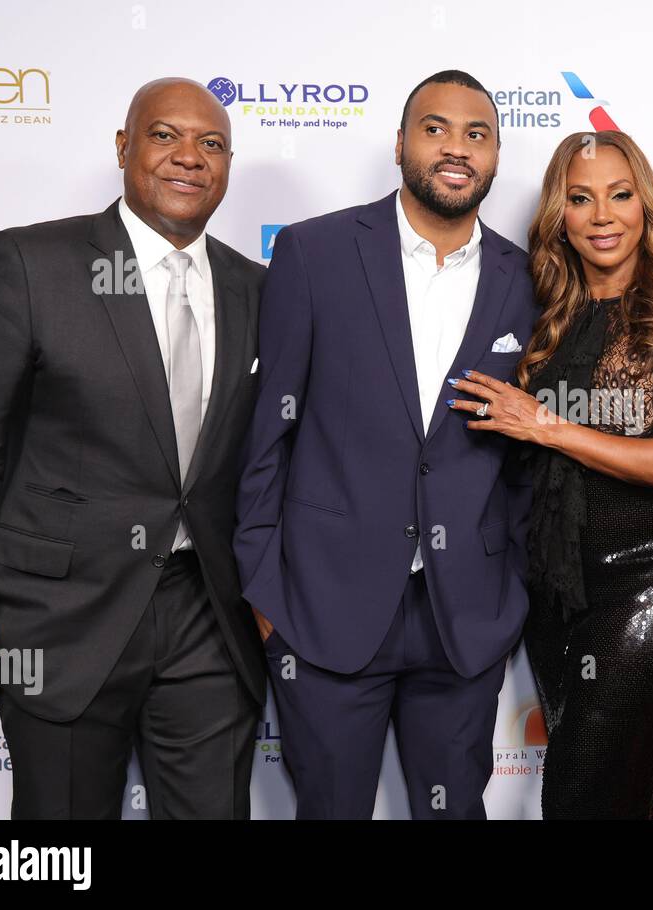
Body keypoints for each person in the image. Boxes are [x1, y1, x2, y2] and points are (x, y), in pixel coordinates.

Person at [0, 78, 265, 818]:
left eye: (212, 144)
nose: (190, 157)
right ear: (124, 147)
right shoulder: (31, 264)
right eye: (165, 135)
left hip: (208, 614)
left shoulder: (257, 288)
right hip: (61, 616)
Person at [234, 70, 539, 819]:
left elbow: (530, 463)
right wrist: (264, 589)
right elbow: (268, 427)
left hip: (462, 616)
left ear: (496, 156)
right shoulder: (316, 253)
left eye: (477, 134)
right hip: (323, 607)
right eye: (436, 129)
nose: (456, 149)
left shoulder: (528, 279)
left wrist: (512, 593)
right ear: (402, 143)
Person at [447, 130, 653, 818]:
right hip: (554, 587)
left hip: (651, 582)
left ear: (647, 205)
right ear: (560, 216)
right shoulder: (545, 313)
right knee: (611, 794)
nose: (603, 215)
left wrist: (544, 424)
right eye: (581, 199)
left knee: (583, 793)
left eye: (620, 195)